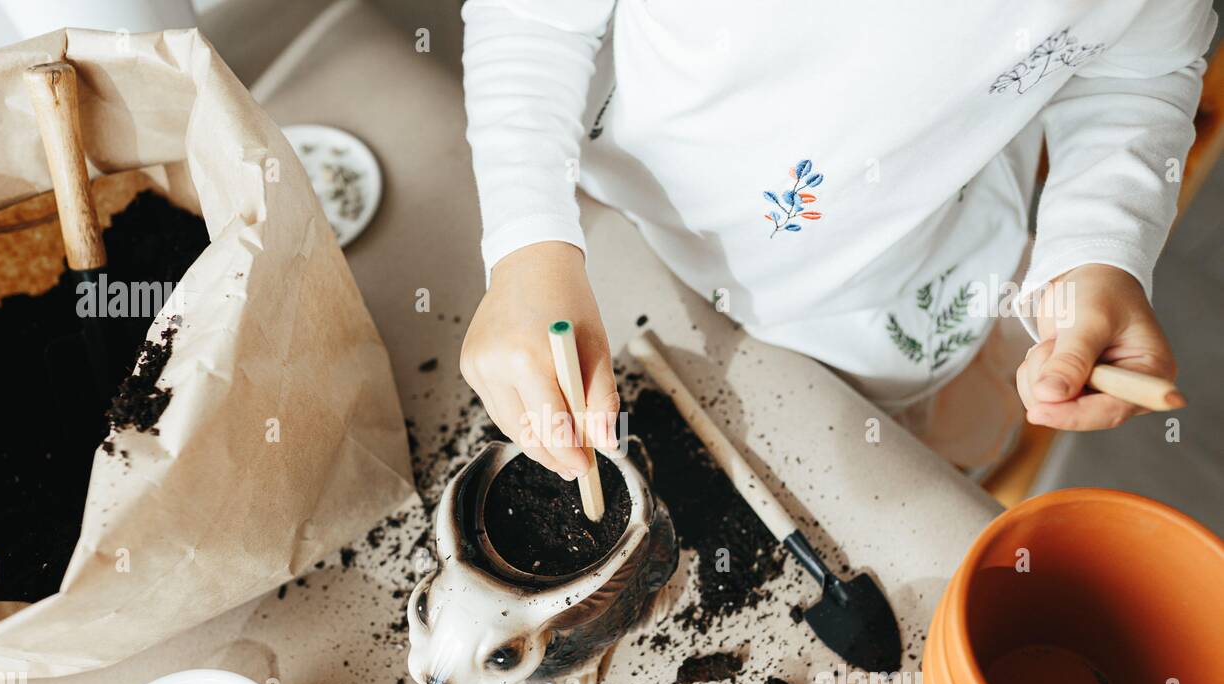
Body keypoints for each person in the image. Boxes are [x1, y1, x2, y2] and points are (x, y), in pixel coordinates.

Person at [457, 0, 1213, 477]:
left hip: (915, 301)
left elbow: (1140, 75)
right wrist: (528, 247)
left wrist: (1099, 249)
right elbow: (530, 18)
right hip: (611, 237)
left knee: (923, 485)